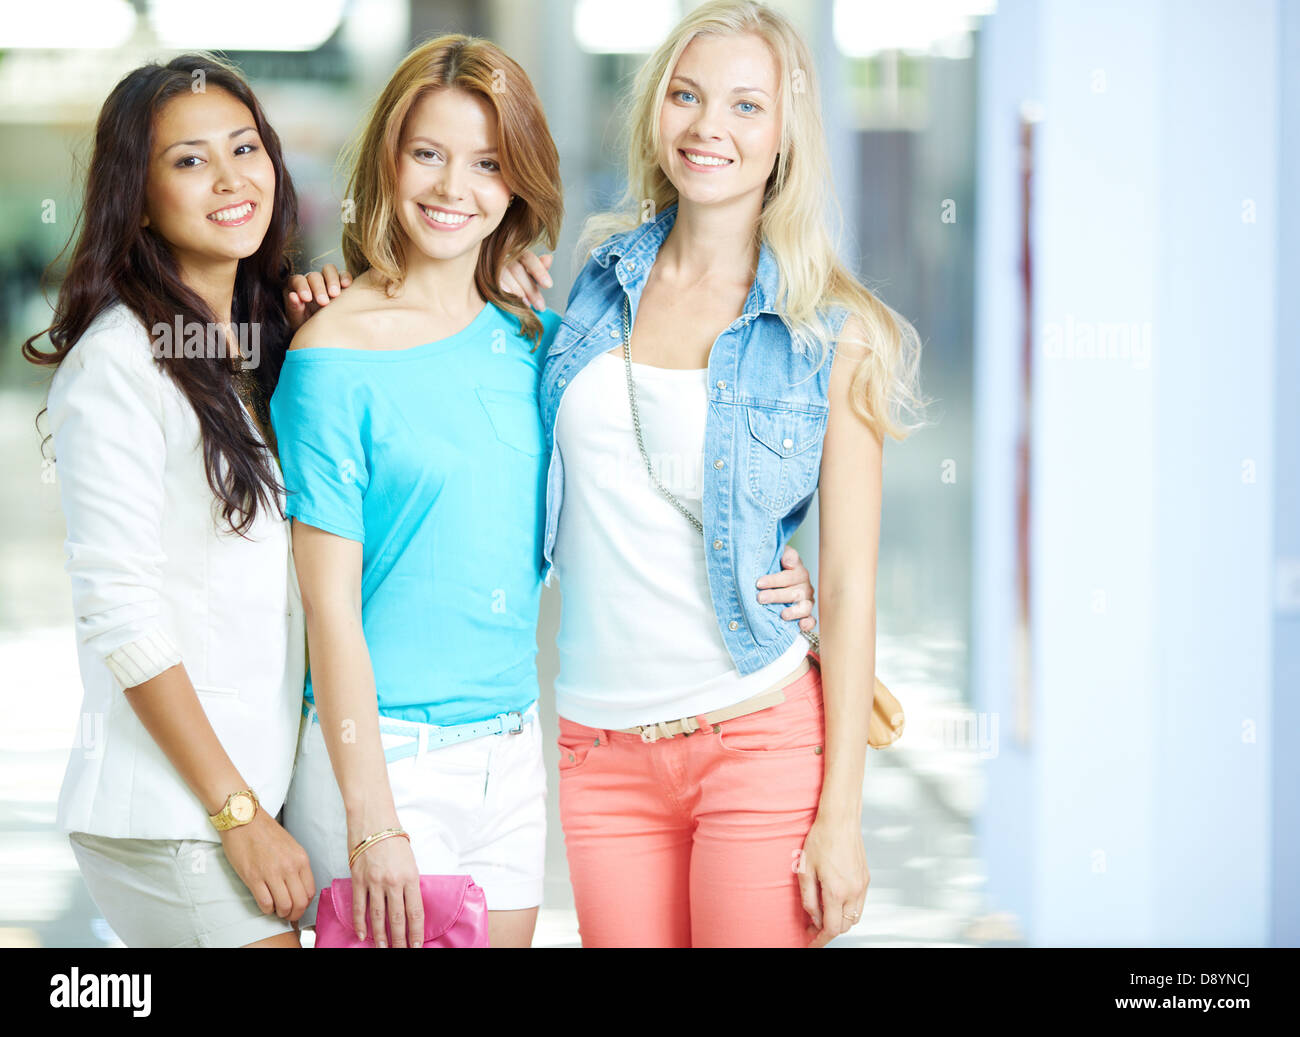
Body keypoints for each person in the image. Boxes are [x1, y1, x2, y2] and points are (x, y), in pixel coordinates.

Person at [273, 32, 819, 949]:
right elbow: (328, 614)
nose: (454, 189)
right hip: (383, 764)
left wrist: (782, 565)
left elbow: (653, 467)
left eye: (488, 163)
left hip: (514, 759)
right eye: (428, 155)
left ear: (518, 183)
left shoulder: (547, 344)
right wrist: (373, 821)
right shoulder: (330, 353)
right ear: (387, 162)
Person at [530, 0, 928, 947]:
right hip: (599, 745)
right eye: (688, 95)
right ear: (655, 112)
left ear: (786, 135)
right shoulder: (589, 285)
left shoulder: (832, 331)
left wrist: (841, 816)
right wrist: (338, 290)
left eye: (747, 106)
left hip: (755, 736)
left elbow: (851, 582)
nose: (710, 126)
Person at [24, 53, 345, 948]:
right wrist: (237, 811)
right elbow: (119, 613)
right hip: (173, 814)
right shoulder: (118, 365)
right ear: (138, 194)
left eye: (246, 148)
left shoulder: (247, 347)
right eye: (190, 159)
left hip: (233, 800)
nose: (232, 177)